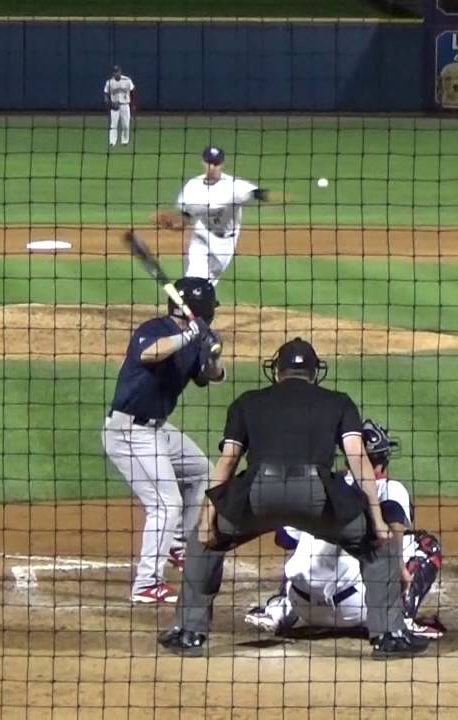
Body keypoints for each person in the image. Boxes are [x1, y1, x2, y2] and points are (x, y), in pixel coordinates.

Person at [158, 338, 432, 660]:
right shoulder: (338, 402)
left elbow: (228, 462)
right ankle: (389, 637)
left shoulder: (247, 402)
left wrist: (207, 518)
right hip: (317, 495)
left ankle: (189, 633)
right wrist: (376, 520)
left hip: (257, 494)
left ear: (278, 372)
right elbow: (358, 461)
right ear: (315, 373)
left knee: (204, 543)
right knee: (379, 545)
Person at [243, 419, 444, 640]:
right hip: (355, 609)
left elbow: (285, 538)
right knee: (426, 545)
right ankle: (400, 620)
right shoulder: (389, 488)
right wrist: (401, 572)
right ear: (383, 458)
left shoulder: (322, 484)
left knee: (302, 545)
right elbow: (394, 531)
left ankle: (279, 610)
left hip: (303, 606)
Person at [101, 277, 224, 604]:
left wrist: (212, 353)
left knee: (203, 473)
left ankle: (178, 545)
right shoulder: (153, 329)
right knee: (165, 504)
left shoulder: (195, 337)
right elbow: (149, 354)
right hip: (129, 432)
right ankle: (146, 584)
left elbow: (210, 376)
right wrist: (190, 336)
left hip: (157, 430)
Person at [153, 146, 278, 284]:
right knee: (192, 279)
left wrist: (277, 198)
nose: (212, 167)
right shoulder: (192, 187)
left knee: (207, 284)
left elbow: (258, 194)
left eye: (216, 163)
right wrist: (170, 224)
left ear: (222, 164)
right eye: (209, 162)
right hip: (201, 237)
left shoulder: (234, 186)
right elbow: (184, 221)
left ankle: (203, 301)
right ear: (203, 163)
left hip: (225, 243)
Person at [103, 65, 135, 148]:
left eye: (117, 71)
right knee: (113, 125)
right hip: (115, 106)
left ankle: (125, 141)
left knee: (126, 124)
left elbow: (132, 91)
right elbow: (106, 94)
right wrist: (110, 103)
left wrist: (133, 104)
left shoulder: (127, 80)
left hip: (125, 105)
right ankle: (112, 141)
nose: (116, 73)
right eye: (114, 72)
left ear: (120, 72)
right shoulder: (109, 82)